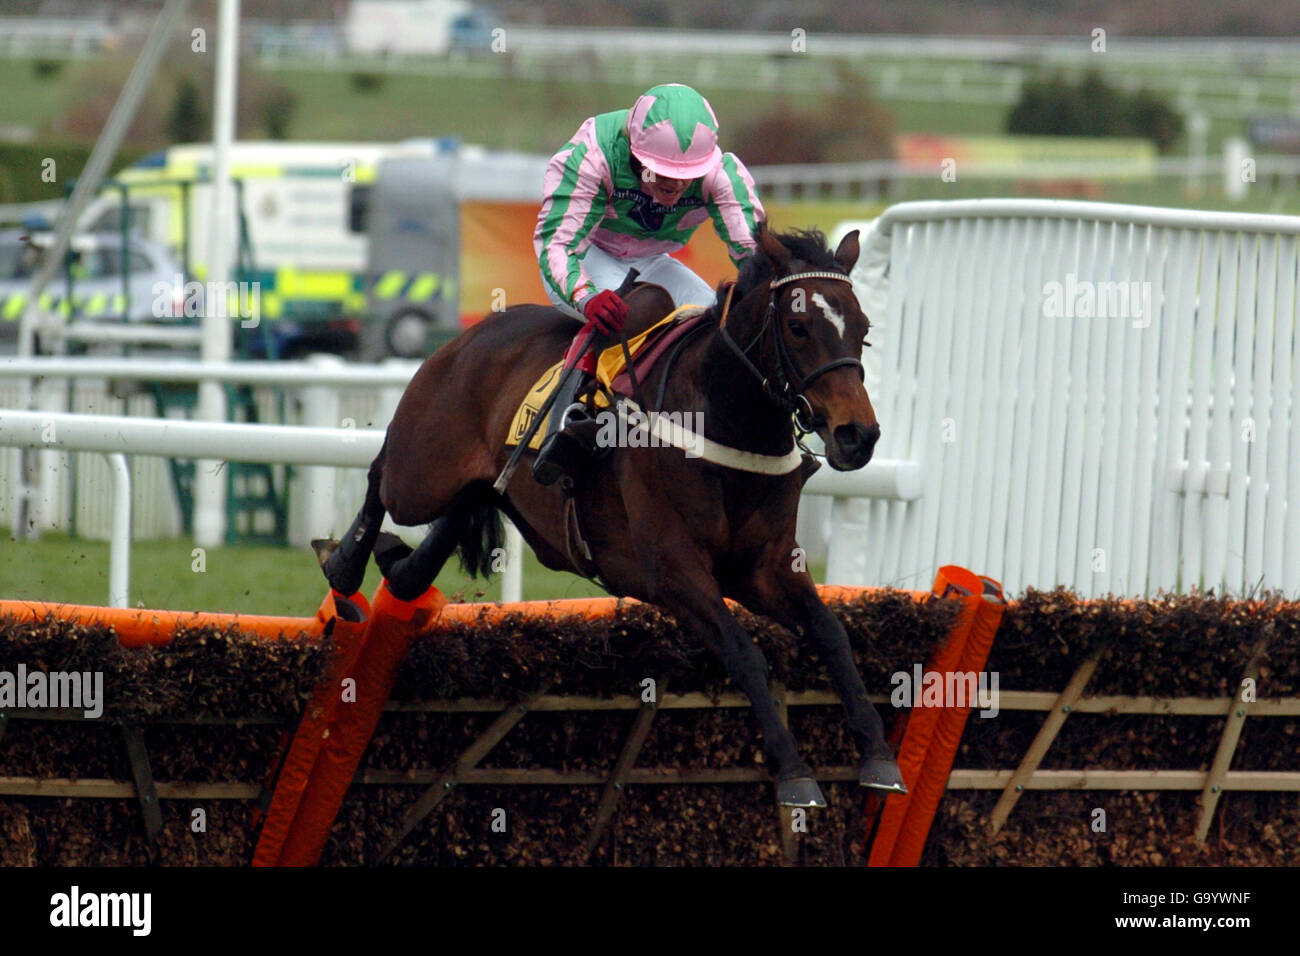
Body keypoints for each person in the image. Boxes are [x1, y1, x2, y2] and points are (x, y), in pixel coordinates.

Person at [531, 83, 766, 483]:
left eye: (686, 176)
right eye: (663, 175)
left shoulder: (723, 174)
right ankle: (574, 420)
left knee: (714, 324)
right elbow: (557, 244)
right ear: (635, 154)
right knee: (634, 316)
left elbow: (756, 256)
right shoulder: (591, 155)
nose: (674, 187)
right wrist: (586, 297)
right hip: (588, 253)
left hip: (652, 259)